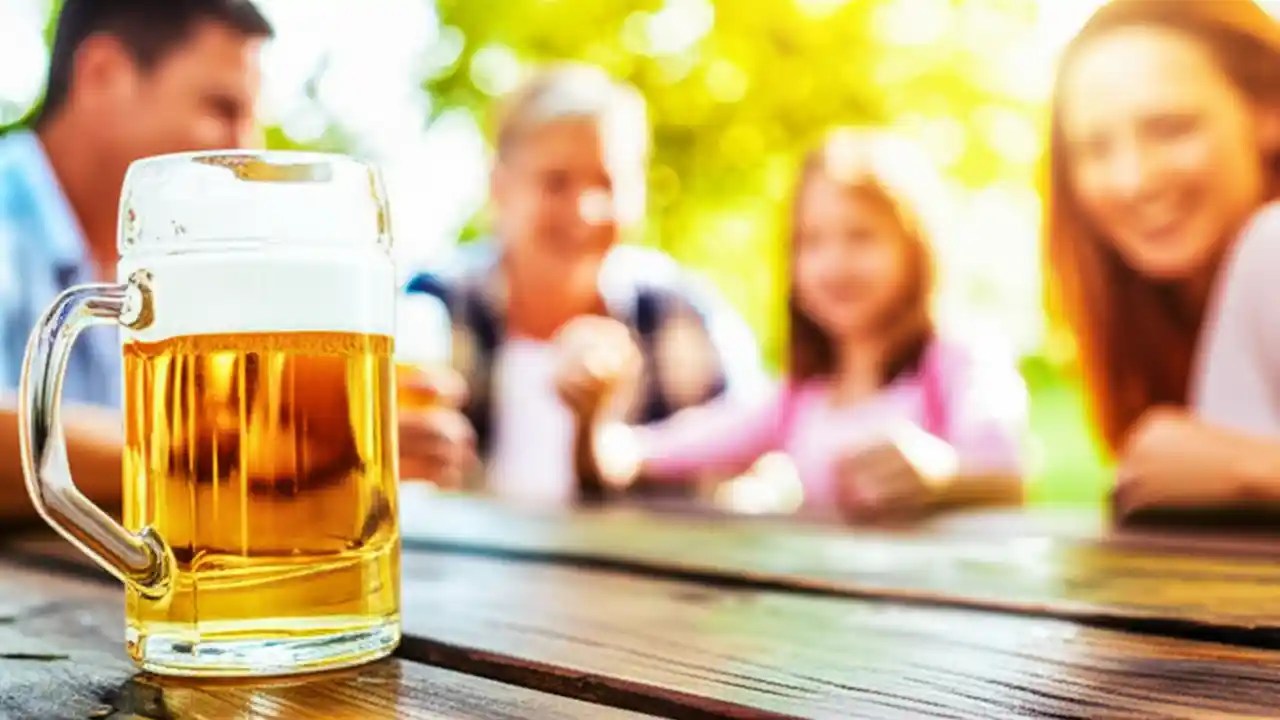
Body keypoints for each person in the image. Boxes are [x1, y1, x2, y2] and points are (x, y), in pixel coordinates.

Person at [561, 130, 1027, 522]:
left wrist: (943, 476)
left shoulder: (956, 359)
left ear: (915, 247)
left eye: (861, 236)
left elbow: (1011, 473)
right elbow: (628, 459)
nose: (835, 264)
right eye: (812, 241)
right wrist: (591, 410)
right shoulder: (798, 398)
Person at [404, 64, 765, 507]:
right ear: (501, 188)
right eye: (556, 183)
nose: (586, 211)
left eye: (607, 183)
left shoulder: (678, 314)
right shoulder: (437, 304)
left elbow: (762, 460)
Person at [1044, 0, 1280, 519]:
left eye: (1171, 128)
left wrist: (1256, 470)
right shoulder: (1165, 323)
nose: (1133, 180)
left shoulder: (1272, 243)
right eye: (1095, 148)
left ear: (1269, 111)